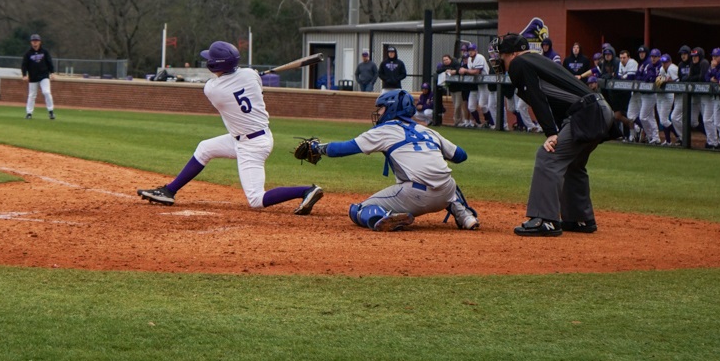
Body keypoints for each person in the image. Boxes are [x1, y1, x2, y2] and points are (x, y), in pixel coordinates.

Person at [137, 41, 323, 214]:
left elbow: (230, 83)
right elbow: (252, 86)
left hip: (252, 146)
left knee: (256, 200)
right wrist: (249, 75)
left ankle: (306, 190)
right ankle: (169, 191)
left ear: (215, 65)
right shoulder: (250, 75)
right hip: (250, 136)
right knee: (205, 148)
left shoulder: (213, 89)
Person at [489, 33, 615, 237]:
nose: (500, 60)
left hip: (586, 114)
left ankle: (545, 220)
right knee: (573, 164)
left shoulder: (520, 63)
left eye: (503, 55)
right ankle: (580, 219)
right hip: (599, 110)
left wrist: (551, 133)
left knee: (548, 157)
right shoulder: (538, 60)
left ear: (513, 53)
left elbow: (537, 96)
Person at [306, 89, 479, 231]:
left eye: (381, 108)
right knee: (445, 179)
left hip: (416, 196)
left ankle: (384, 217)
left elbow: (341, 149)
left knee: (358, 210)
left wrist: (316, 148)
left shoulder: (384, 130)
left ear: (391, 109)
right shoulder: (427, 130)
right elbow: (461, 156)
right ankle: (465, 216)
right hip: (446, 195)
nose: (378, 113)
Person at [21, 33, 56, 119]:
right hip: (33, 77)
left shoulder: (44, 52)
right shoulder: (28, 54)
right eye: (33, 41)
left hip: (44, 76)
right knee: (32, 95)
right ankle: (29, 113)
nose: (35, 43)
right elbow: (24, 65)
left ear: (40, 42)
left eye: (36, 41)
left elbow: (49, 62)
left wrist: (52, 72)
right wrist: (24, 75)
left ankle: (51, 112)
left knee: (46, 92)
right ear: (31, 42)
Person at [459, 43, 495, 128]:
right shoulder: (469, 60)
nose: (471, 52)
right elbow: (471, 72)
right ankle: (479, 123)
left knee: (483, 105)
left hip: (485, 83)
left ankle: (491, 123)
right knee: (471, 106)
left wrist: (465, 70)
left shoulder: (479, 57)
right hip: (478, 84)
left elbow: (476, 72)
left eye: (472, 50)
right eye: (469, 50)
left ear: (476, 51)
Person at [704, 48, 720, 149]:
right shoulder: (714, 64)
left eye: (716, 56)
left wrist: (714, 70)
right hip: (717, 97)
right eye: (713, 56)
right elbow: (706, 77)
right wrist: (710, 78)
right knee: (717, 122)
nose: (714, 58)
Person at [655, 53, 680, 145]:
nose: (664, 64)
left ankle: (678, 136)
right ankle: (668, 141)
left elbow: (678, 82)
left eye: (665, 62)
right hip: (661, 95)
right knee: (663, 119)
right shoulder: (662, 69)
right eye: (662, 62)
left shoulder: (673, 68)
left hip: (669, 95)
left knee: (663, 120)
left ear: (670, 62)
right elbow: (660, 79)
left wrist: (667, 80)